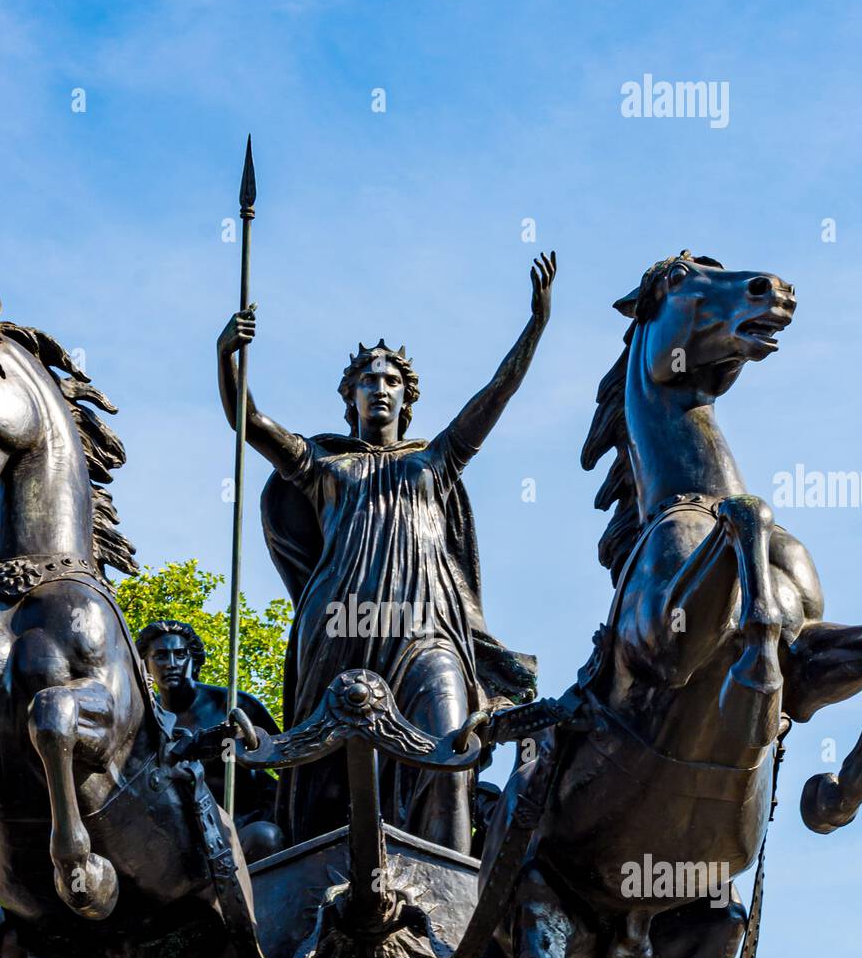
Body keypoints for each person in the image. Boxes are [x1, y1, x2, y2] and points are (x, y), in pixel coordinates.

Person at [215, 255, 555, 850]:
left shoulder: (435, 460)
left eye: (391, 380)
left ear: (407, 397)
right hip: (339, 631)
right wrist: (227, 357)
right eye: (367, 380)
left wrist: (536, 325)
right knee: (323, 780)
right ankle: (322, 890)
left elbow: (496, 394)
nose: (379, 389)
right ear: (350, 397)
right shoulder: (325, 464)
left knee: (448, 744)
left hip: (429, 630)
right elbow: (249, 421)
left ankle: (449, 897)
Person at [136, 620, 284, 861]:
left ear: (194, 660)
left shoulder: (235, 704)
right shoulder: (144, 723)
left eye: (180, 654)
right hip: (187, 835)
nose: (172, 664)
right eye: (161, 656)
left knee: (265, 838)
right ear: (145, 665)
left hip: (247, 823)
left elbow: (285, 760)